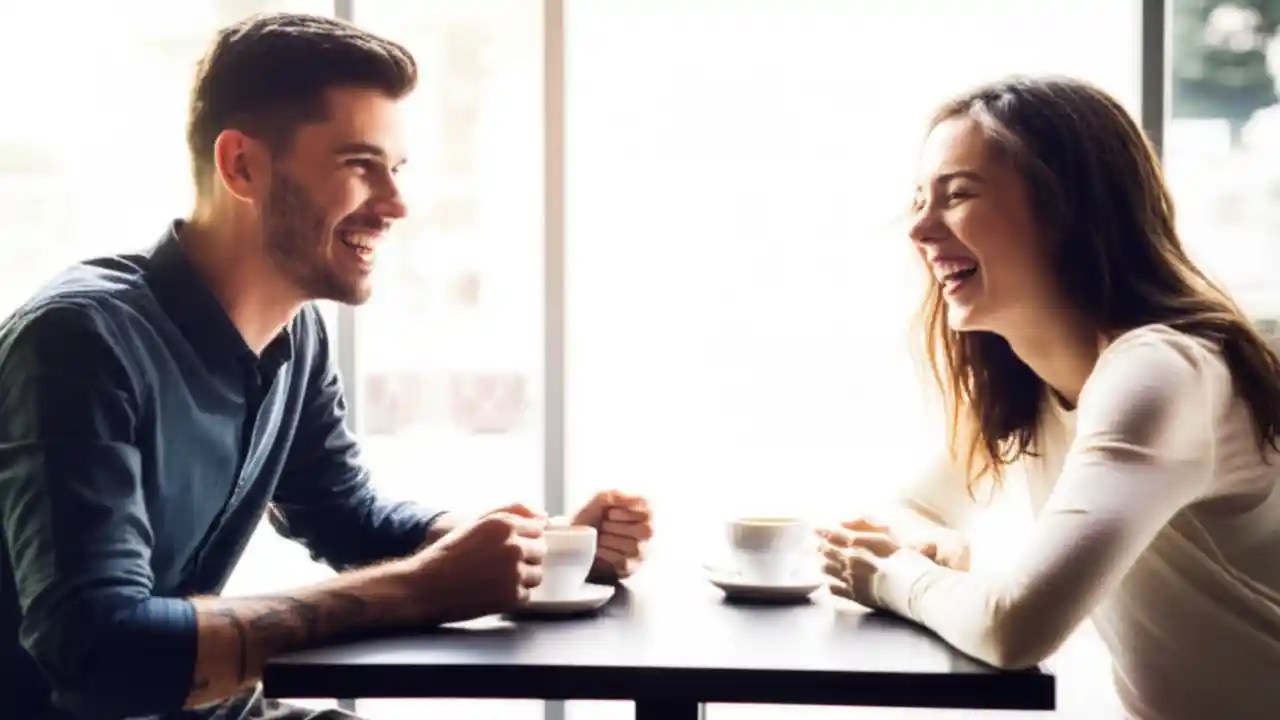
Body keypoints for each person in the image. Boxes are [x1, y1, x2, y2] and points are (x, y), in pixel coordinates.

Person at [0, 13, 652, 720]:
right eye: (358, 164)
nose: (397, 203)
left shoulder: (296, 336)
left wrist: (547, 549)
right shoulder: (76, 344)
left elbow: (349, 518)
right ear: (242, 165)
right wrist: (420, 589)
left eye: (396, 169)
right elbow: (98, 655)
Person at [818, 76, 1280, 718]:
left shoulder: (1162, 371)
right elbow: (914, 505)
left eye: (958, 196)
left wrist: (892, 576)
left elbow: (1016, 628)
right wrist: (937, 547)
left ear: (1066, 209)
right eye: (921, 198)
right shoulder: (1031, 375)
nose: (919, 228)